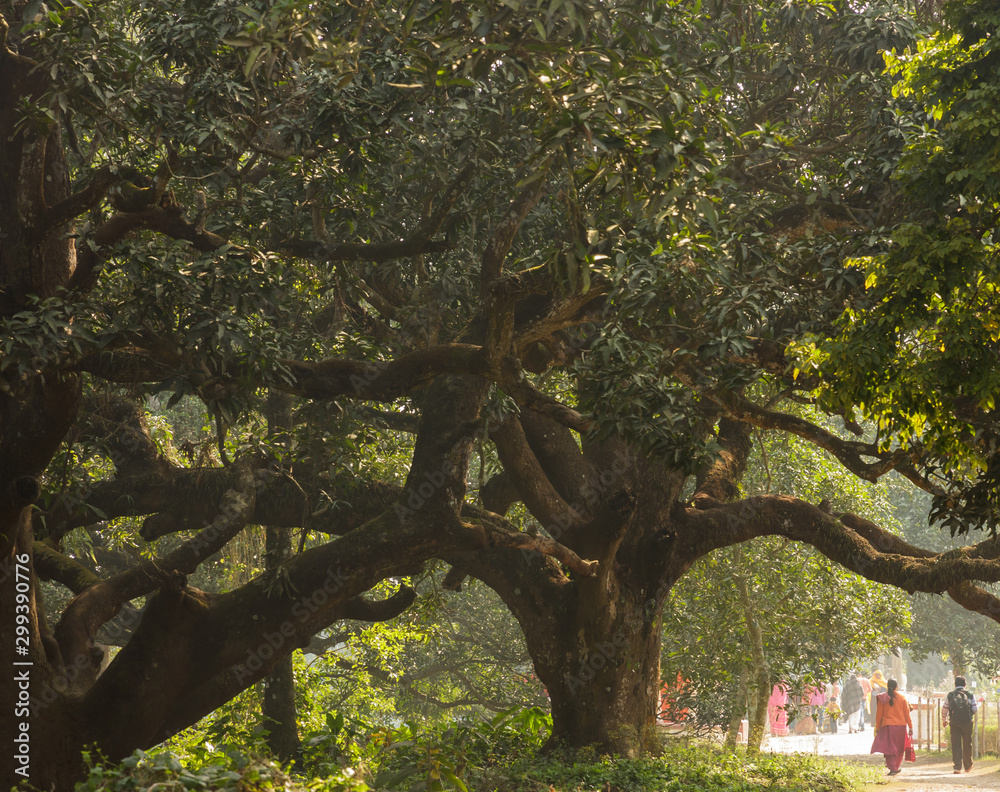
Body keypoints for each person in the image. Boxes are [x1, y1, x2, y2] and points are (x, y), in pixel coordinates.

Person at [870, 678, 913, 776]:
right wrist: (910, 726)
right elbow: (907, 714)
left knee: (889, 747)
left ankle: (892, 767)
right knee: (899, 747)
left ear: (887, 686)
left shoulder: (883, 698)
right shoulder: (902, 698)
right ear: (896, 687)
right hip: (900, 726)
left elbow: (879, 715)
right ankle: (895, 766)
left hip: (887, 726)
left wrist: (878, 727)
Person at [942, 675, 979, 774]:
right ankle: (968, 766)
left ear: (955, 684)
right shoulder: (970, 694)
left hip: (954, 722)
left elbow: (945, 708)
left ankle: (957, 767)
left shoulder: (950, 695)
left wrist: (944, 720)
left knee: (956, 743)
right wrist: (968, 714)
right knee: (967, 743)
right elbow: (975, 709)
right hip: (967, 722)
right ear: (965, 684)